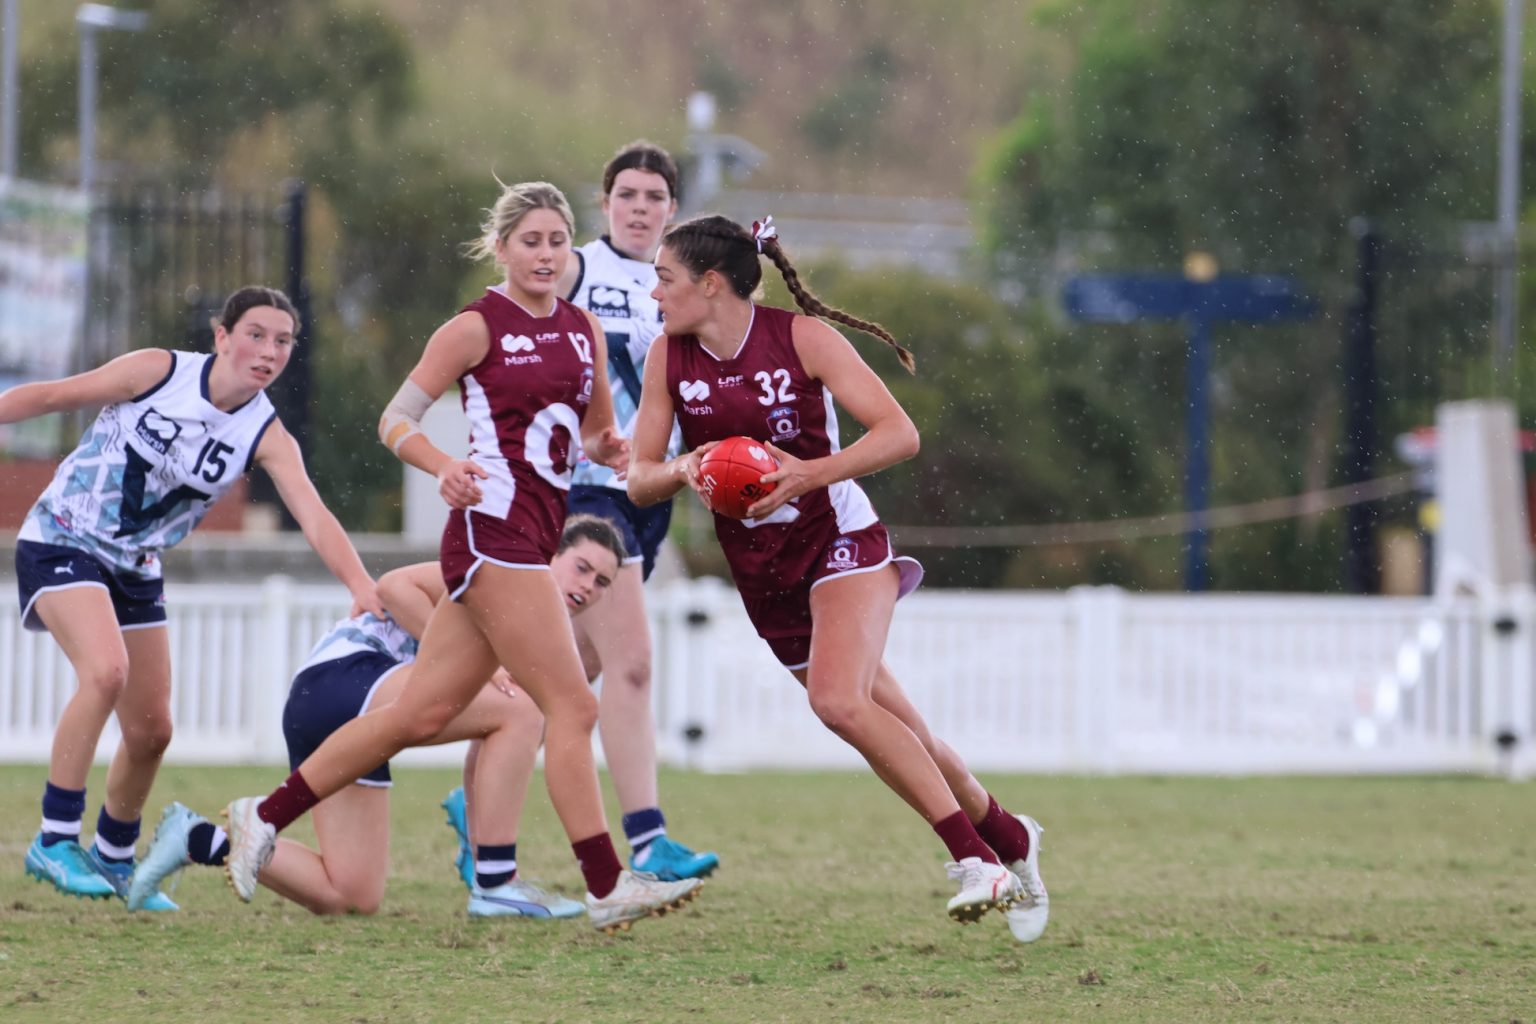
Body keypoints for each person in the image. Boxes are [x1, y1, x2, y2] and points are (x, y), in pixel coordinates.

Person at [218, 181, 702, 935]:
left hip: (533, 535)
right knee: (572, 706)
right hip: (491, 537)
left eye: (554, 242)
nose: (544, 255)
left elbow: (599, 434)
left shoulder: (580, 329)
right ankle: (609, 883)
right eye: (530, 241)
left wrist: (619, 449)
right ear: (502, 248)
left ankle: (263, 814)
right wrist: (442, 465)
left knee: (421, 711)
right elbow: (394, 419)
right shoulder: (475, 327)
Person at [626, 214, 1050, 941]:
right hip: (763, 571)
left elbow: (898, 434)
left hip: (839, 538)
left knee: (838, 703)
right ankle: (1011, 839)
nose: (653, 291)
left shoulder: (803, 339)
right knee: (907, 731)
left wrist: (806, 475)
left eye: (664, 278)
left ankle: (976, 862)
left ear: (711, 282)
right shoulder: (669, 357)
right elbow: (637, 480)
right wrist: (682, 468)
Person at [3, 286, 382, 913]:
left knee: (153, 730)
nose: (268, 351)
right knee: (104, 673)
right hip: (64, 534)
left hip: (135, 567)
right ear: (221, 336)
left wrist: (361, 585)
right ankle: (54, 838)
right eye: (255, 334)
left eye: (283, 341)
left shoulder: (266, 435)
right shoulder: (159, 372)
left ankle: (113, 857)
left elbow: (313, 516)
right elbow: (52, 396)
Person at [441, 140, 717, 887]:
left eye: (655, 197)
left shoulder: (683, 286)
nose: (639, 207)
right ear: (605, 203)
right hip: (586, 489)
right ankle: (649, 840)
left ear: (673, 210)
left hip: (650, 490)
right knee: (630, 664)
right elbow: (511, 305)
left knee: (567, 674)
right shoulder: (577, 266)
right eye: (626, 194)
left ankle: (479, 799)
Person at [128, 515, 627, 918]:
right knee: (522, 710)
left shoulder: (541, 624)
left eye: (602, 582)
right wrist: (449, 657)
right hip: (343, 677)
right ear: (553, 555)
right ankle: (495, 880)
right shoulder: (505, 571)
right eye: (581, 567)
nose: (588, 586)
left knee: (349, 895)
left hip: (342, 715)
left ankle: (199, 838)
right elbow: (393, 587)